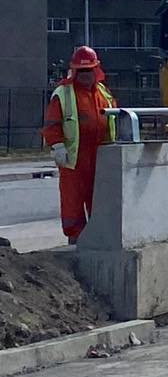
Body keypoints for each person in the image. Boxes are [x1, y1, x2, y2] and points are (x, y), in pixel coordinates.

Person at [41, 46, 117, 244]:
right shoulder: (63, 93)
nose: (85, 74)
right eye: (81, 70)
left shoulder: (103, 93)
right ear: (74, 71)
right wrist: (57, 145)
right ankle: (75, 239)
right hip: (73, 159)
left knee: (99, 200)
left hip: (100, 157)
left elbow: (114, 120)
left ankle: (98, 236)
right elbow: (51, 124)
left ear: (96, 69)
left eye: (88, 70)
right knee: (72, 202)